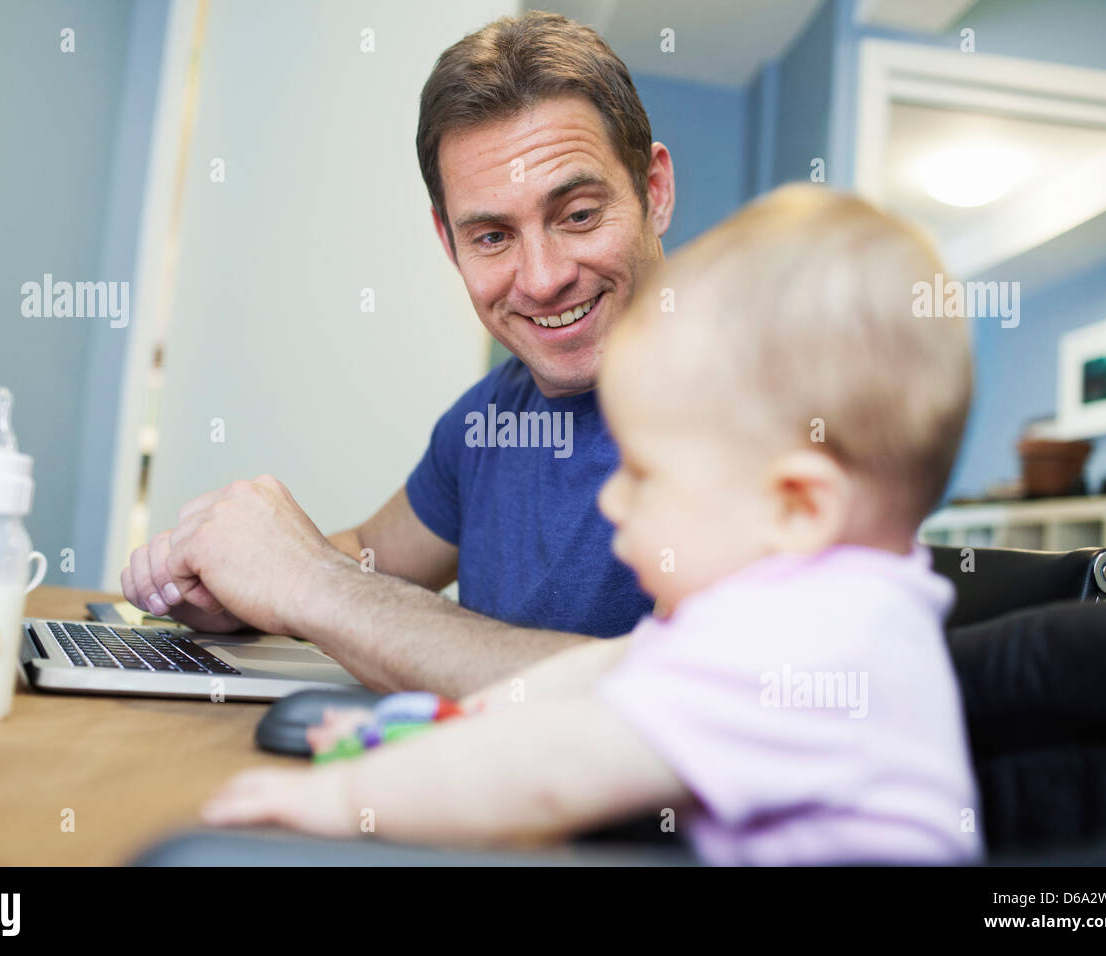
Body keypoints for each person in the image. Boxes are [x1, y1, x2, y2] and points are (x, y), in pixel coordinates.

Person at [199, 185, 984, 866]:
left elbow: (546, 773)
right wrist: (443, 721)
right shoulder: (815, 606)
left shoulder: (809, 648)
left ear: (797, 507)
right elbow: (597, 677)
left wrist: (345, 803)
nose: (614, 498)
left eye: (644, 473)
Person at [121, 13, 676, 698]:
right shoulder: (487, 419)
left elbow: (668, 701)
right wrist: (240, 587)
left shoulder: (770, 399)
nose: (541, 278)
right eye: (493, 236)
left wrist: (309, 584)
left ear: (654, 192)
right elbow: (369, 557)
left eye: (579, 215)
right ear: (449, 242)